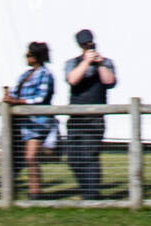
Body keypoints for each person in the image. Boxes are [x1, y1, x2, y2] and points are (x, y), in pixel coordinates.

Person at [63, 29, 117, 201]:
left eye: (90, 43)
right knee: (72, 157)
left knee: (89, 155)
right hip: (75, 117)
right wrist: (86, 62)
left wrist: (99, 64)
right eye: (85, 44)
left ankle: (91, 195)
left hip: (95, 118)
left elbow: (110, 81)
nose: (89, 46)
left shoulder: (106, 62)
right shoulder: (73, 63)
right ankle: (88, 190)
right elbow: (72, 79)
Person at [3, 42, 54, 200]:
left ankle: (35, 193)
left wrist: (19, 102)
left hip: (38, 121)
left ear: (37, 57)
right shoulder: (25, 75)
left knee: (31, 157)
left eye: (29, 55)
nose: (27, 57)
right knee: (20, 157)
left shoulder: (45, 74)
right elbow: (13, 93)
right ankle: (27, 191)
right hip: (23, 124)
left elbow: (40, 98)